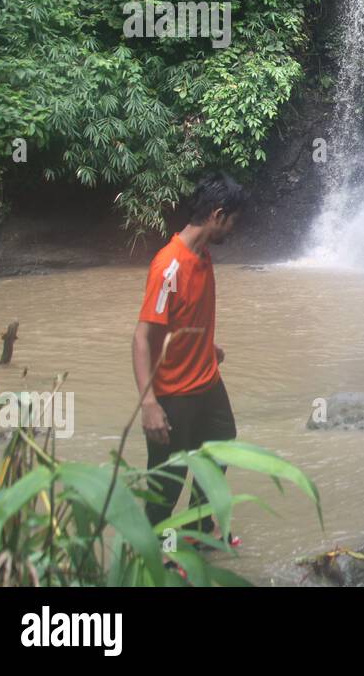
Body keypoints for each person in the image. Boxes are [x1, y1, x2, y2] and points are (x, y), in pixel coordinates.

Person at [132, 172, 246, 555]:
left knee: (221, 446)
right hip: (174, 394)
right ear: (217, 215)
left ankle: (200, 530)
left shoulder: (203, 255)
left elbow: (185, 317)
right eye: (233, 220)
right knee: (168, 481)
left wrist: (206, 347)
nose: (234, 229)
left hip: (207, 383)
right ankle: (155, 557)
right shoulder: (170, 267)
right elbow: (143, 338)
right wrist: (149, 404)